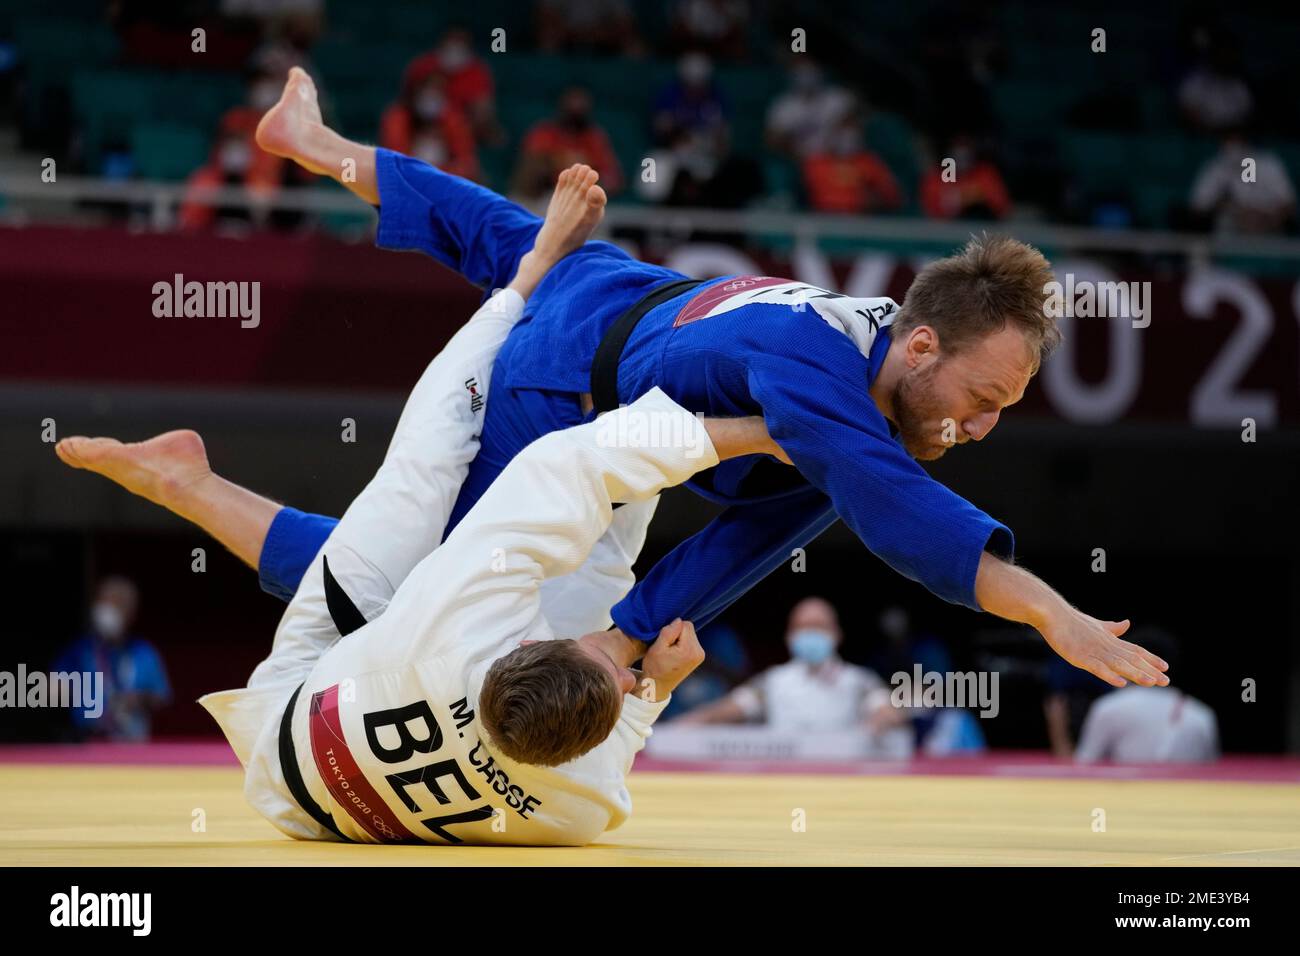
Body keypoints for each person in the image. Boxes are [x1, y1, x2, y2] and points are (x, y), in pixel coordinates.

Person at [246, 68, 1169, 695]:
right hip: (557, 386)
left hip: (622, 289)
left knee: (490, 227)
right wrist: (1053, 613)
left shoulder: (868, 385)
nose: (984, 427)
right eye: (985, 401)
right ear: (923, 347)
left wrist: (631, 631)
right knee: (412, 583)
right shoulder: (825, 379)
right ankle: (202, 493)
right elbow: (908, 519)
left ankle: (318, 141)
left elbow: (753, 535)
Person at [58, 166, 783, 845]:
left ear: (518, 643)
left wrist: (766, 432)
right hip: (308, 793)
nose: (624, 664)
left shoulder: (471, 646)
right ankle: (191, 485)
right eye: (621, 675)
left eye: (610, 665)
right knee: (598, 573)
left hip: (295, 709)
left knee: (422, 479)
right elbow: (610, 725)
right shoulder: (581, 805)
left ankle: (526, 273)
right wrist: (646, 690)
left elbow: (565, 466)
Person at [674, 597, 911, 756]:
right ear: (790, 637)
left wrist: (883, 719)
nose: (810, 633)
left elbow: (886, 709)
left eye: (819, 626)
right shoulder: (772, 682)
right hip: (785, 777)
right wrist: (679, 728)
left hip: (841, 776)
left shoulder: (859, 680)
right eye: (803, 627)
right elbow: (728, 710)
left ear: (836, 634)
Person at [52, 576, 171, 742]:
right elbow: (52, 690)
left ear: (131, 612)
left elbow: (161, 696)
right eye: (104, 603)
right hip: (87, 740)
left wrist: (137, 699)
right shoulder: (79, 651)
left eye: (117, 604)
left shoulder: (144, 652)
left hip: (130, 741)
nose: (108, 611)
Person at [1075, 630, 1219, 764]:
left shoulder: (1109, 707)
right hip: (1186, 790)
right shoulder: (1202, 714)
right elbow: (1217, 773)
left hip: (1126, 789)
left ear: (1128, 663)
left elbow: (1086, 765)